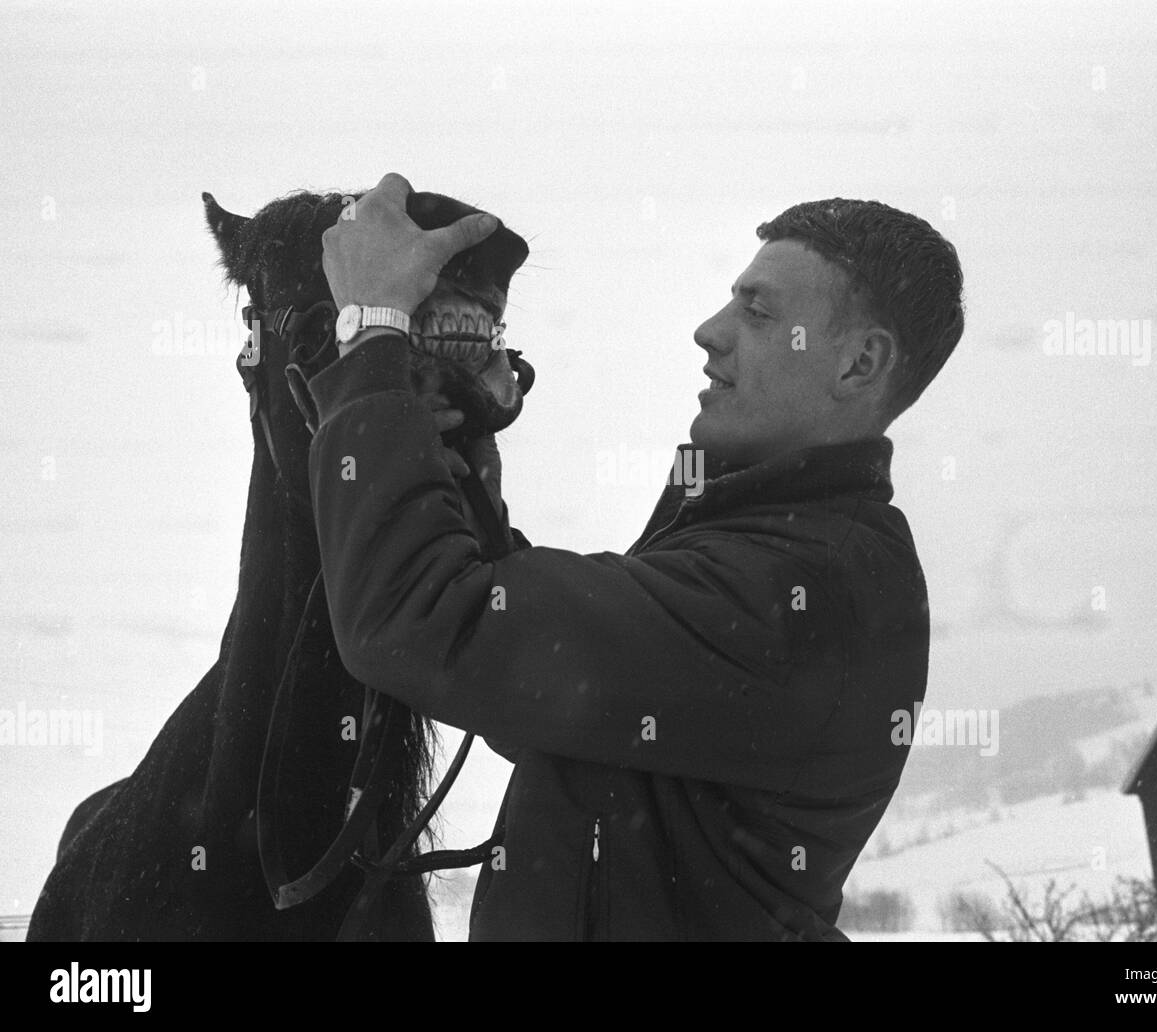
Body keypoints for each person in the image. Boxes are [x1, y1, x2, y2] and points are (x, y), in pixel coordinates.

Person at [307, 172, 965, 940]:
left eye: (756, 311)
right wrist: (458, 458)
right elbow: (532, 696)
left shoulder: (806, 585)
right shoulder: (751, 535)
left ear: (859, 366)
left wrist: (371, 328)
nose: (709, 330)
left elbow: (416, 619)